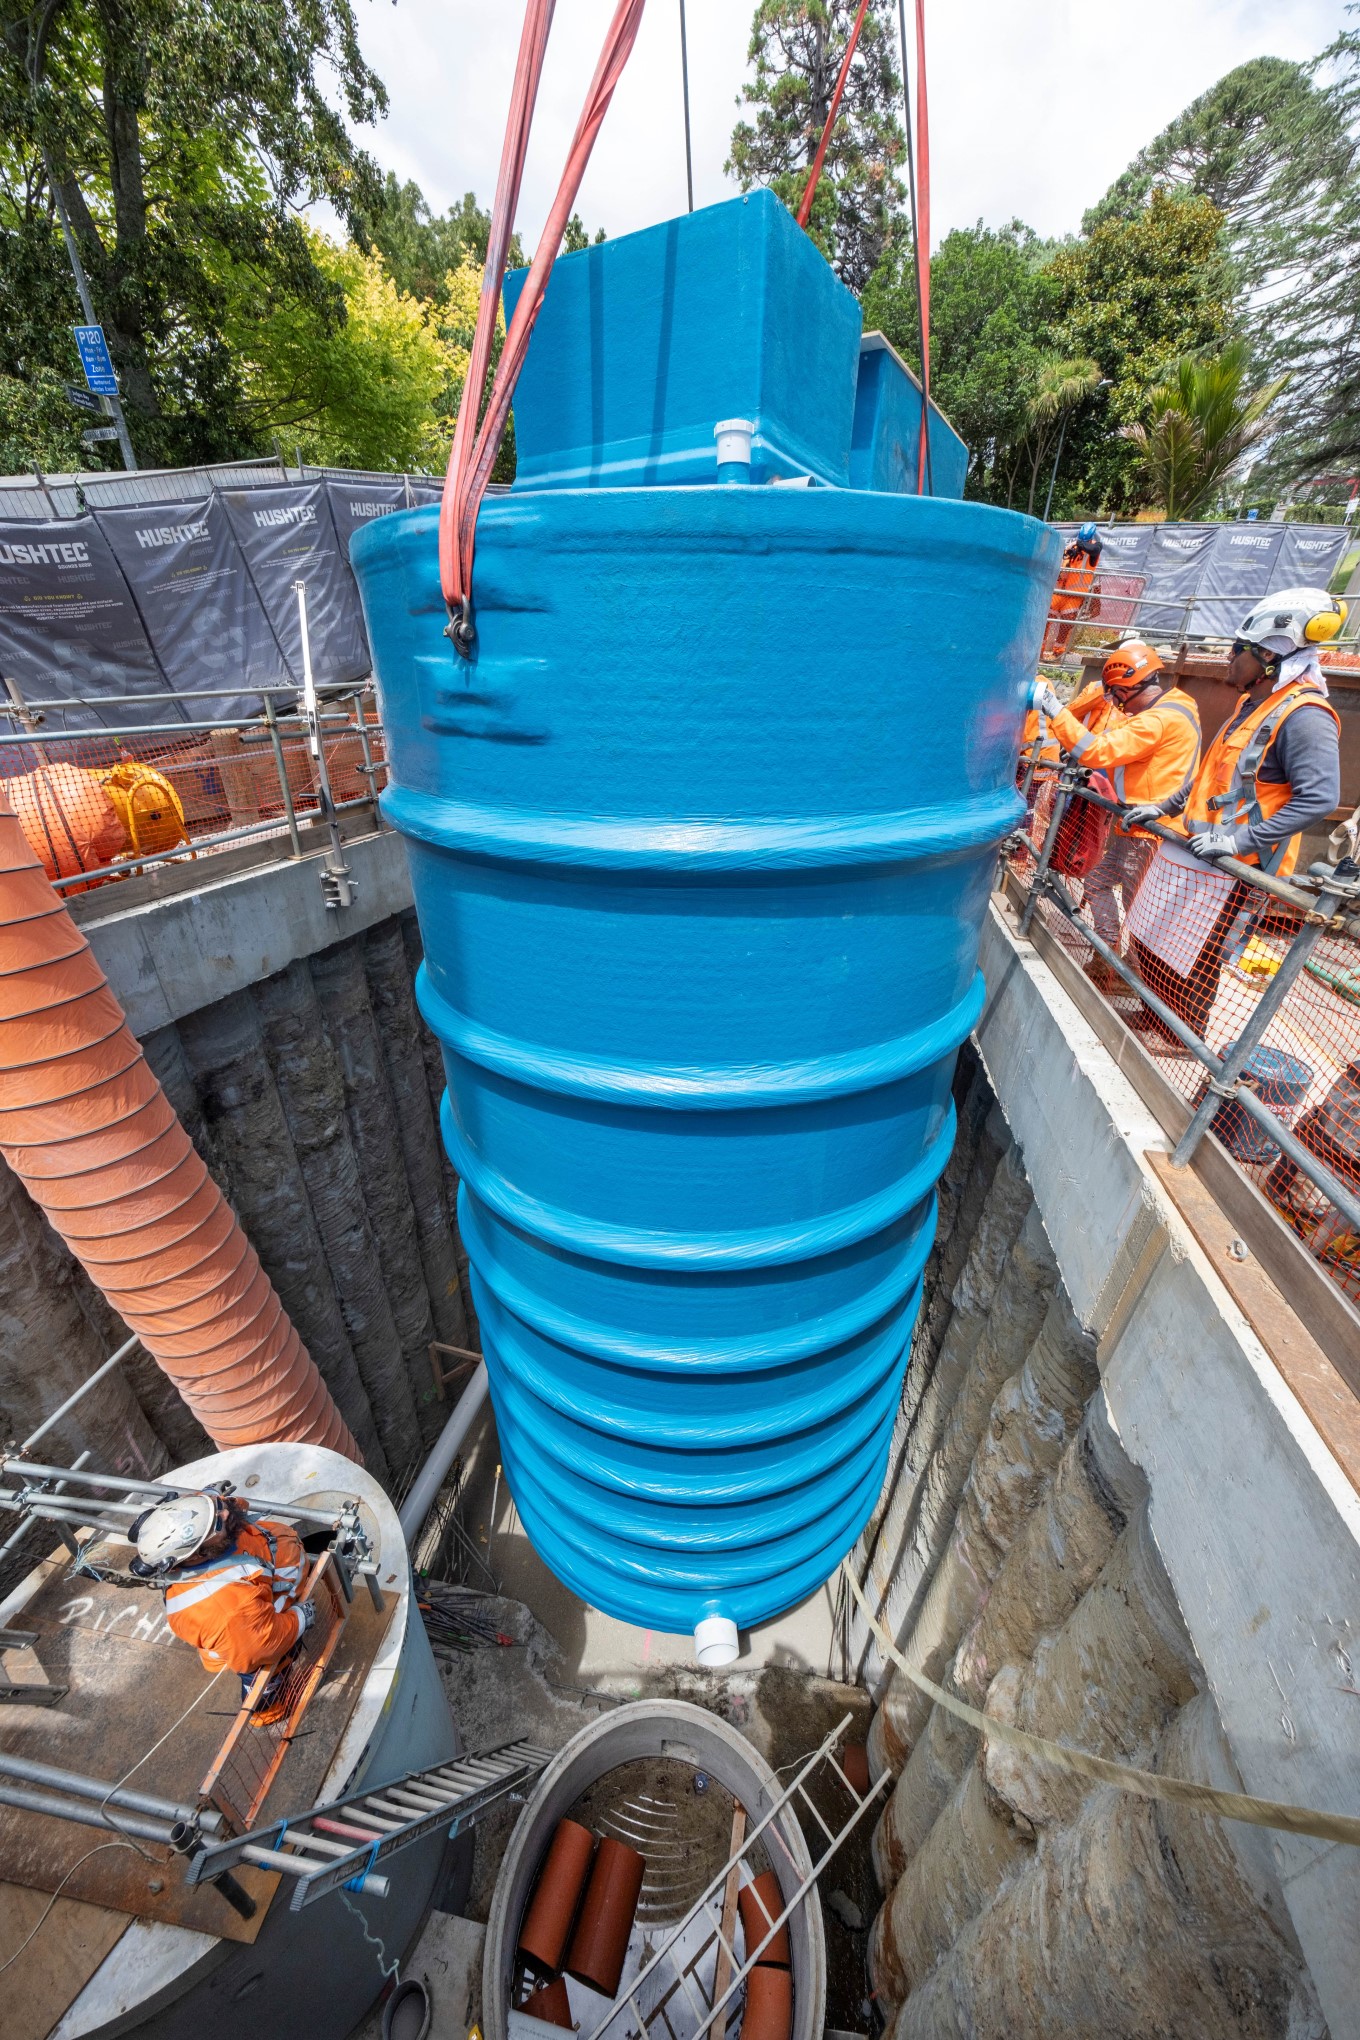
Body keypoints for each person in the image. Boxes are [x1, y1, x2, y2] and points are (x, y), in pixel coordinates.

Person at [1121, 587, 1344, 1040]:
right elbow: (1211, 774)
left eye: (1238, 650)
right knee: (1156, 942)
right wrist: (1162, 807)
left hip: (1236, 867)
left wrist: (1239, 842)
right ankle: (1155, 1016)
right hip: (1196, 853)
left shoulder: (1305, 716)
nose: (1228, 658)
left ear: (1267, 656)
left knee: (1197, 958)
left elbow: (1319, 798)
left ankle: (1182, 1037)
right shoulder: (1252, 706)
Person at [1031, 640, 1201, 989]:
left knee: (1138, 905)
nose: (1115, 703)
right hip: (1136, 825)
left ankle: (1134, 973)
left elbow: (1098, 750)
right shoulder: (1172, 707)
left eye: (1116, 696)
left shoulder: (1160, 719)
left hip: (1153, 831)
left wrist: (1055, 711)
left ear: (1127, 688)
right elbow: (1121, 745)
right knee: (1097, 881)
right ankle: (1107, 950)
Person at [130, 1489, 315, 1703]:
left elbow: (222, 1509)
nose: (224, 1514)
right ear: (196, 1554)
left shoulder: (211, 1533)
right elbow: (262, 1645)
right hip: (244, 1638)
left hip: (250, 1610)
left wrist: (212, 1502)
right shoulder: (226, 1610)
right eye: (216, 1522)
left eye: (214, 1509)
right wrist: (299, 1618)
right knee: (271, 1671)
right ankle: (270, 1708)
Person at [1042, 521, 1104, 659]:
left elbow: (1093, 550)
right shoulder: (1071, 548)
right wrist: (1071, 550)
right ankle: (1040, 649)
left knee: (1066, 623)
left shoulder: (1094, 547)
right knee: (1047, 620)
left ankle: (1058, 651)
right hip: (1059, 591)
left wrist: (1079, 543)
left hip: (1075, 594)